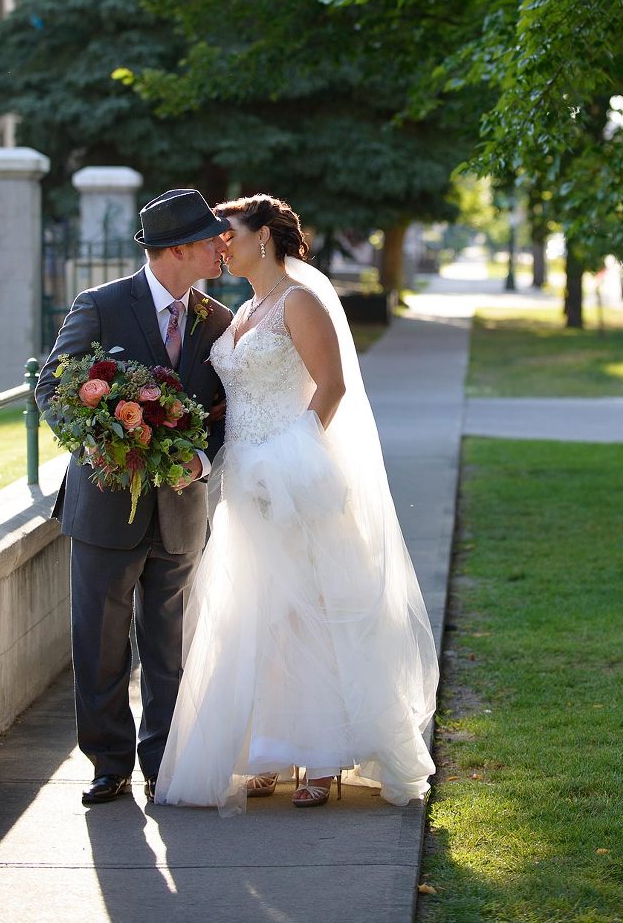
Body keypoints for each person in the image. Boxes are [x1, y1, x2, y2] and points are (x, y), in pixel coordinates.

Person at [156, 193, 438, 814]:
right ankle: (271, 749)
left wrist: (289, 460)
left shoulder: (299, 302)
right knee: (262, 615)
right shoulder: (243, 311)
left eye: (228, 233)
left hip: (294, 479)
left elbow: (331, 386)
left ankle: (325, 756)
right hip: (244, 482)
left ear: (264, 237)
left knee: (312, 608)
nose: (219, 244)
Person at [36, 188, 233, 807]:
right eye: (209, 239)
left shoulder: (218, 321)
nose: (221, 246)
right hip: (103, 506)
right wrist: (96, 440)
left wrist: (201, 457)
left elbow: (231, 409)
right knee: (98, 643)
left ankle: (164, 762)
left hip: (180, 509)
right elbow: (54, 386)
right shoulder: (100, 305)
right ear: (176, 250)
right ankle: (109, 763)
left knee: (169, 646)